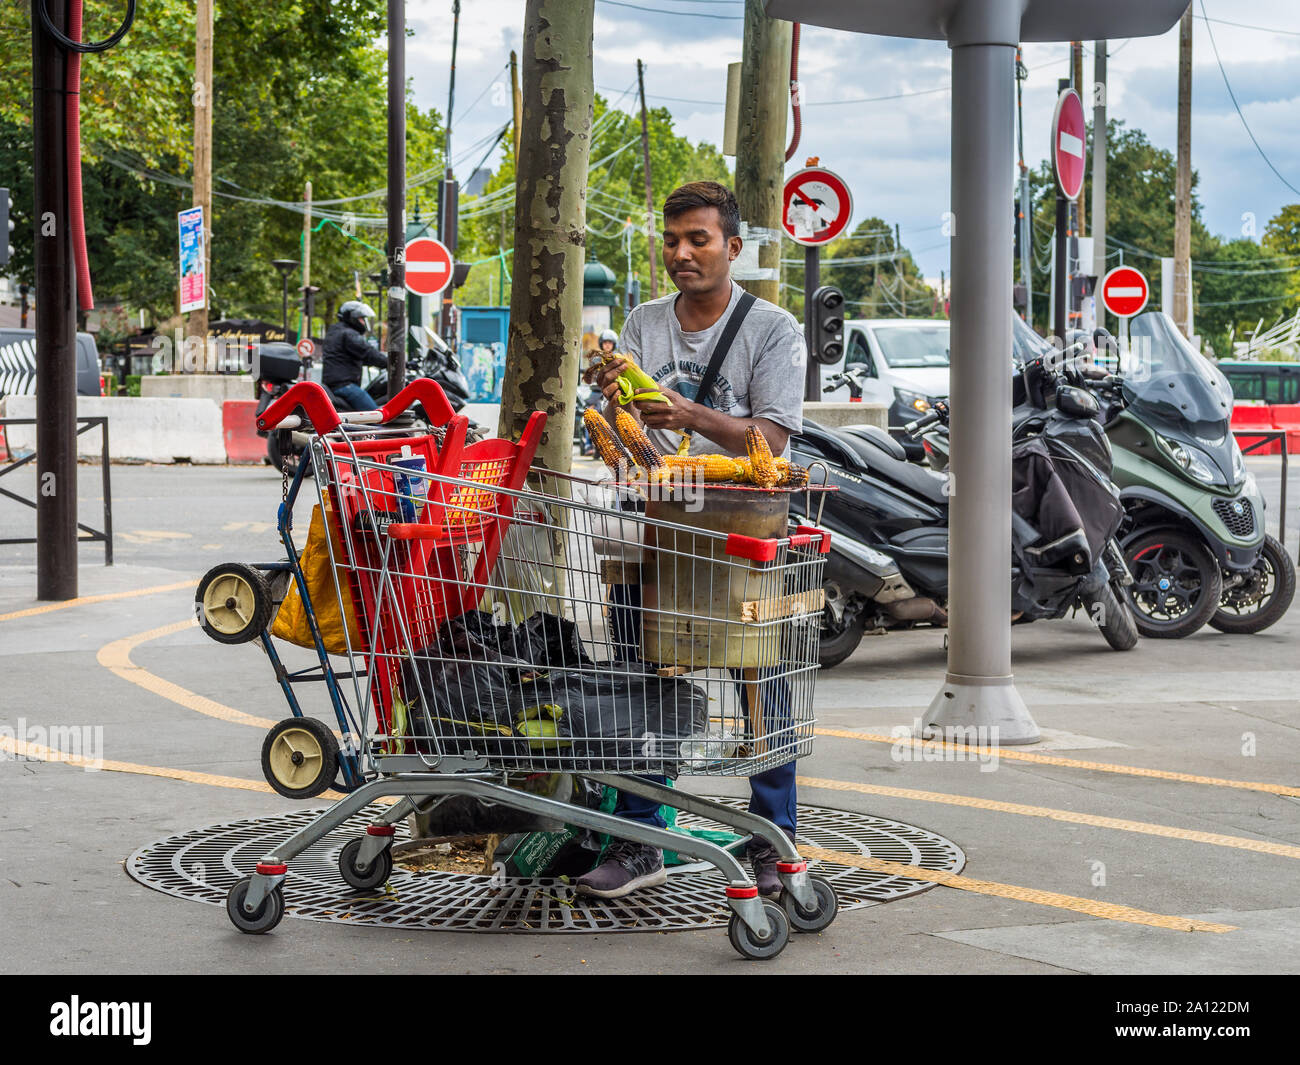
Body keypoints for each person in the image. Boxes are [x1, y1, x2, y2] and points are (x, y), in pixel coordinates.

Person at [575, 180, 807, 901]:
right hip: (659, 532)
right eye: (671, 240)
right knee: (642, 682)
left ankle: (776, 838)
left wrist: (685, 411)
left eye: (698, 239)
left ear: (732, 248)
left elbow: (770, 436)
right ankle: (642, 835)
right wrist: (615, 410)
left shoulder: (773, 330)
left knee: (761, 687)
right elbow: (639, 440)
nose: (681, 253)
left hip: (743, 538)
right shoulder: (644, 322)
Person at [321, 300, 387, 411]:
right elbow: (368, 352)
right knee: (376, 417)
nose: (363, 322)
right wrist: (395, 363)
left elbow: (358, 356)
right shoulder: (349, 334)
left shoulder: (335, 331)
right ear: (352, 317)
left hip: (335, 384)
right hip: (344, 385)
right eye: (361, 319)